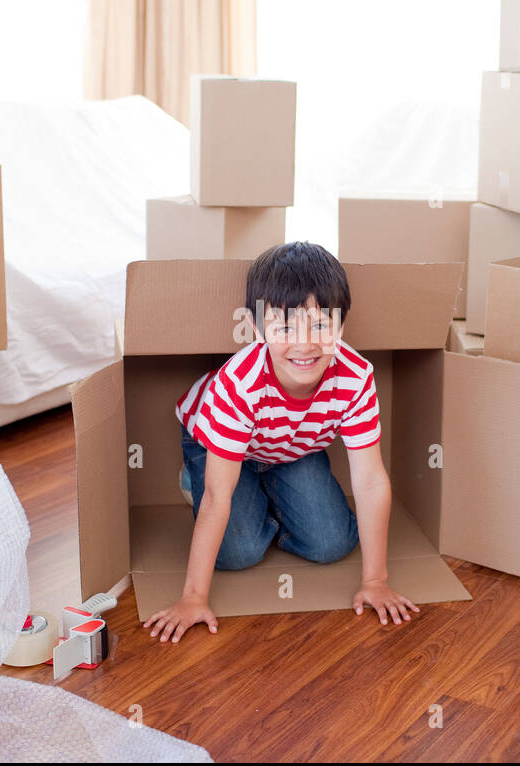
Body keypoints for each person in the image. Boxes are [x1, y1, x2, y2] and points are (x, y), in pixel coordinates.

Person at [144, 241, 419, 644]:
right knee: (238, 553)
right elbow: (220, 496)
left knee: (333, 544)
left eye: (322, 325)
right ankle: (196, 479)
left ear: (342, 326)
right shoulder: (239, 384)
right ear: (256, 329)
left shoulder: (356, 377)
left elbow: (371, 481)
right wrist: (192, 598)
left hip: (294, 448)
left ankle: (268, 491)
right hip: (217, 443)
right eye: (285, 327)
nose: (305, 344)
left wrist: (376, 580)